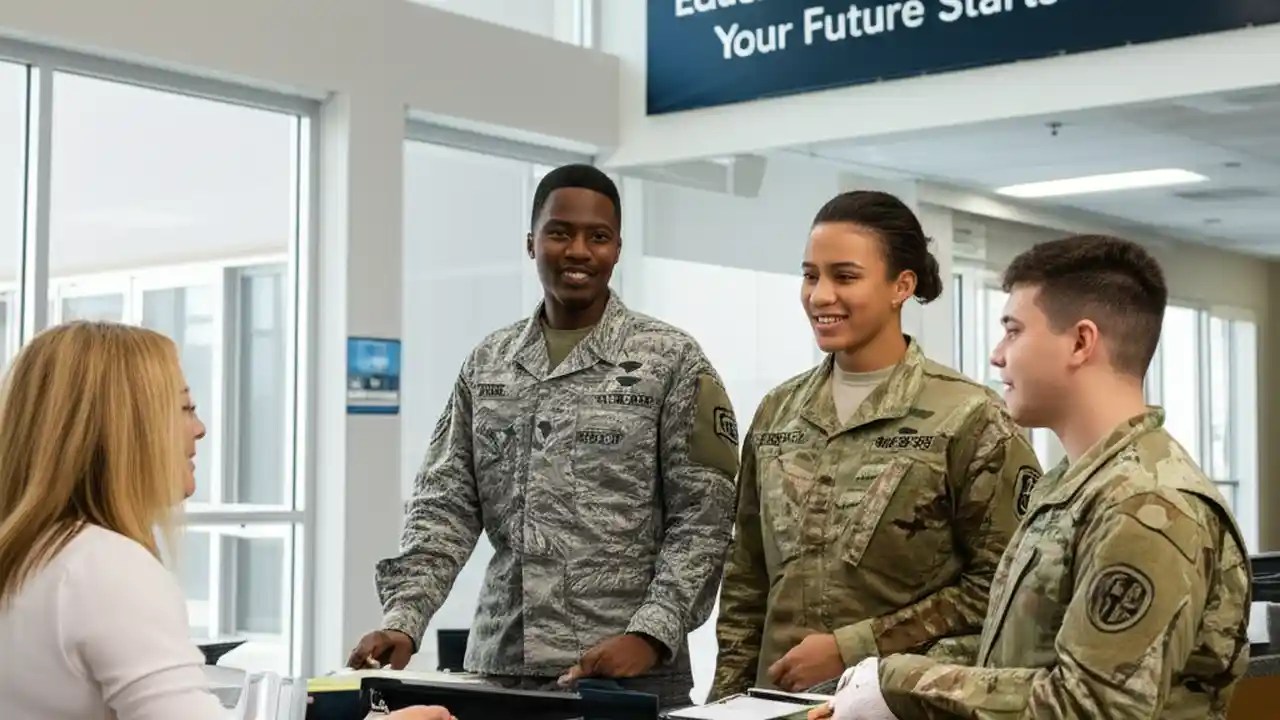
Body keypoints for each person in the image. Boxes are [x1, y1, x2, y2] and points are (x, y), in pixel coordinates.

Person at [348, 164, 741, 709]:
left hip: (627, 674)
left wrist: (652, 633)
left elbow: (705, 518)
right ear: (532, 243)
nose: (578, 250)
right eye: (560, 233)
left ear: (618, 249)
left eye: (597, 237)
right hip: (501, 667)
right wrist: (404, 619)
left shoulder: (671, 360)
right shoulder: (488, 364)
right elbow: (445, 507)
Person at [821, 235, 1252, 718]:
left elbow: (1090, 707)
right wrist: (883, 676)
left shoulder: (1146, 507)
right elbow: (1017, 655)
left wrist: (903, 683)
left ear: (1081, 342)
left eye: (1014, 330)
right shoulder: (1080, 485)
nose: (997, 355)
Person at [0, 322, 451, 720]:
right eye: (184, 407)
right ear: (125, 427)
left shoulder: (34, 556)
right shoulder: (106, 568)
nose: (200, 428)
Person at [711, 191, 1040, 698]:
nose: (820, 295)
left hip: (902, 705)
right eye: (810, 275)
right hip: (777, 706)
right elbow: (746, 582)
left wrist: (856, 646)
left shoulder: (970, 418)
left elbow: (1004, 590)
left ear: (901, 286)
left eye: (844, 277)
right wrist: (725, 702)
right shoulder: (779, 413)